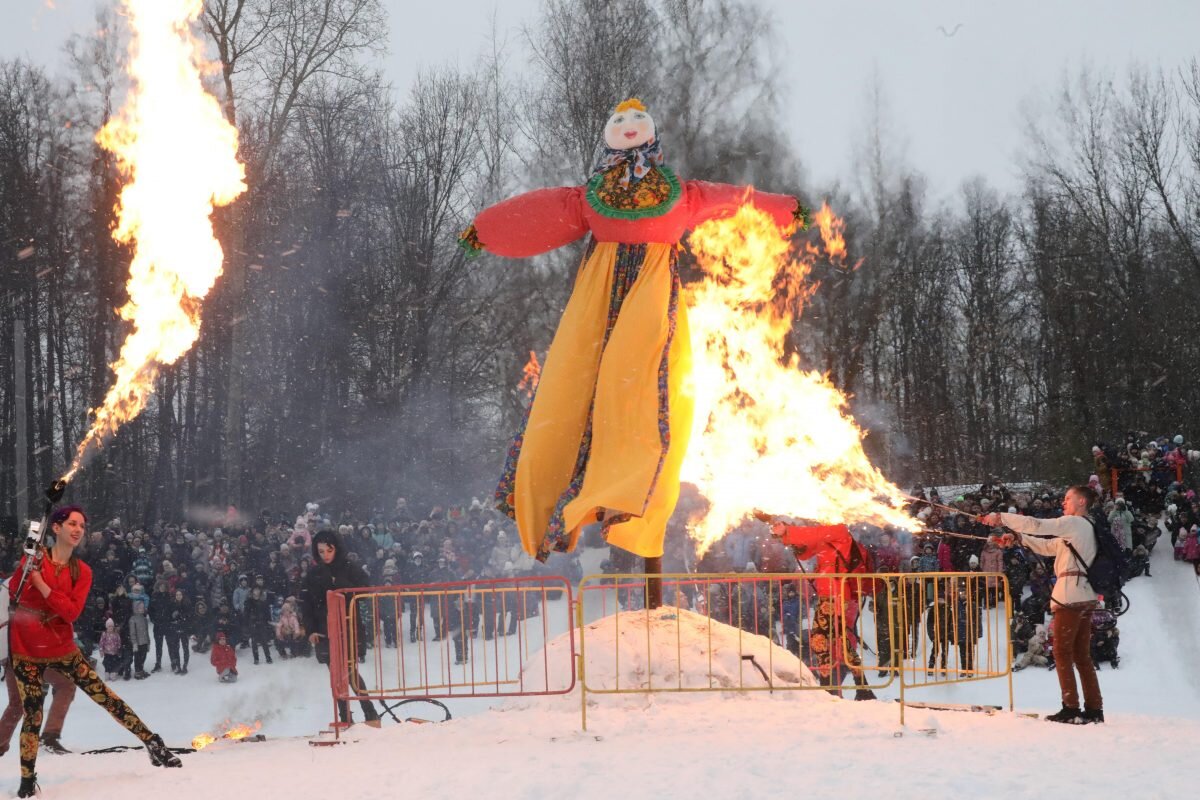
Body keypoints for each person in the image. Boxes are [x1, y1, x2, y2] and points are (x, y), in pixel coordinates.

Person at [7, 505, 180, 797]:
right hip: (26, 650)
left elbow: (71, 613)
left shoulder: (82, 571)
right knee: (33, 714)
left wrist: (41, 584)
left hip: (62, 649)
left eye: (82, 526)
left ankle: (153, 743)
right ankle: (26, 780)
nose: (78, 529)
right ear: (56, 528)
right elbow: (14, 593)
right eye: (72, 523)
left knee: (106, 697)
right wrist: (27, 569)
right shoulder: (34, 559)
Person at [982, 485, 1105, 724]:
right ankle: (1093, 708)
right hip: (1083, 594)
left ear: (1082, 502)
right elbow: (1049, 546)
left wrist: (1001, 518)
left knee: (1061, 651)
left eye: (1069, 498)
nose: (1064, 502)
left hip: (1071, 595)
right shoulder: (1082, 530)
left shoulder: (1076, 523)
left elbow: (1038, 525)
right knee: (1081, 654)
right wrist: (1018, 538)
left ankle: (1071, 708)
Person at [768, 521, 876, 700]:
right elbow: (806, 552)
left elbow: (813, 534)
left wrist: (787, 530)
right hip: (831, 594)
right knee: (840, 642)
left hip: (836, 595)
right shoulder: (828, 535)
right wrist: (786, 535)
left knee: (820, 638)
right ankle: (861, 688)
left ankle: (829, 688)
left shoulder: (838, 529)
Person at [300, 530, 379, 726]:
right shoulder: (313, 574)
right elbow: (307, 604)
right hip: (324, 630)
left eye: (329, 550)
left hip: (348, 626)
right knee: (336, 675)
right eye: (321, 551)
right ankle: (345, 718)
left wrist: (340, 585)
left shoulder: (349, 567)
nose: (325, 555)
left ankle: (370, 713)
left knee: (350, 672)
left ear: (336, 548)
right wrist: (310, 630)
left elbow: (366, 589)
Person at [0, 575, 78, 757]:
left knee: (17, 703)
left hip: (8, 648)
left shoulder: (8, 583)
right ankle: (50, 736)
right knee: (66, 684)